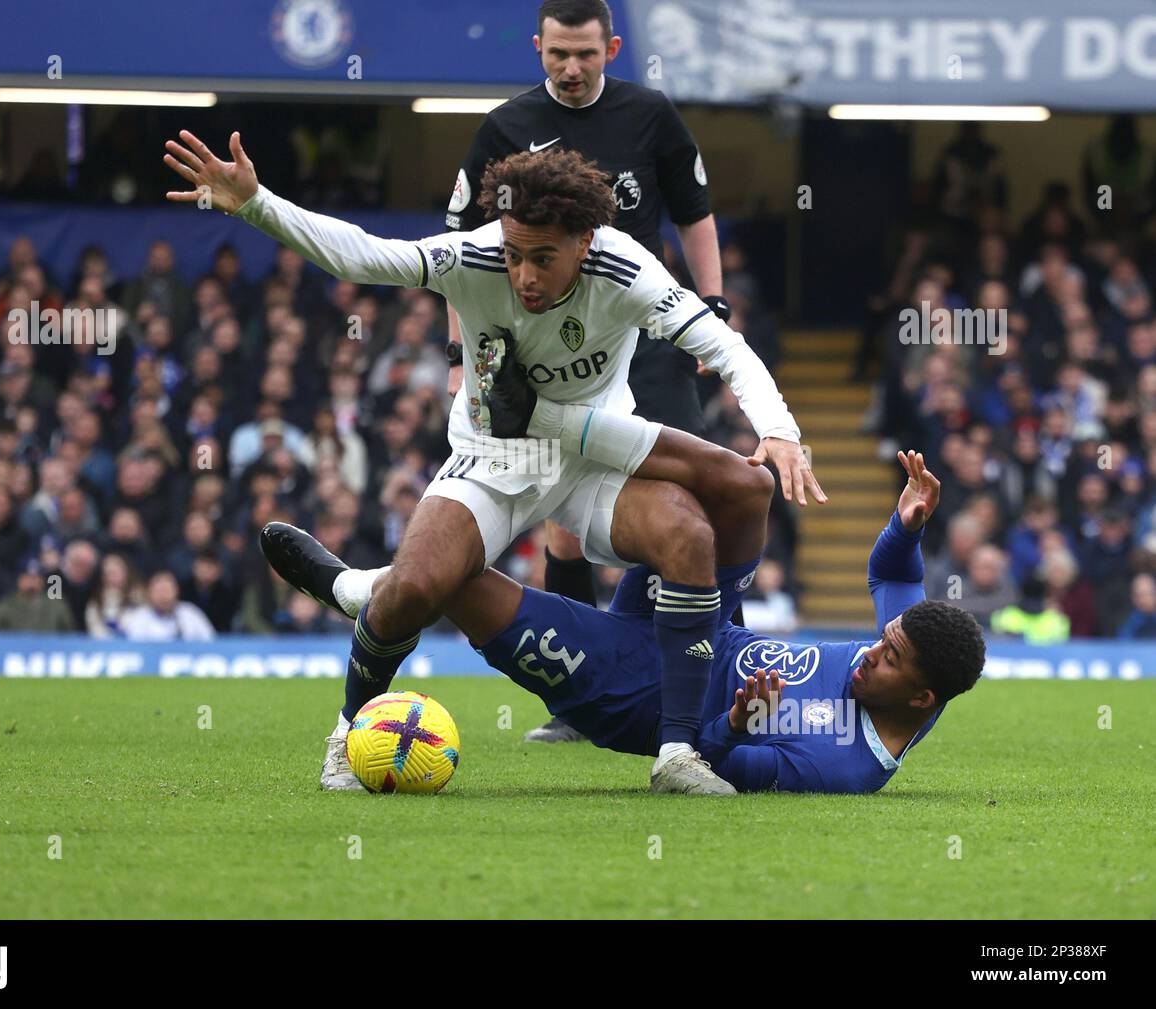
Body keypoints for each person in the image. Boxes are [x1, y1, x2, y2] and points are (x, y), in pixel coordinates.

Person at [164, 129, 823, 795]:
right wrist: (255, 203)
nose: (525, 276)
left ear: (584, 243)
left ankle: (677, 754)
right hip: (494, 455)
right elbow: (364, 258)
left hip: (596, 454)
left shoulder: (627, 272)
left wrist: (780, 428)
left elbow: (726, 346)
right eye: (514, 255)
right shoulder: (473, 258)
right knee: (417, 591)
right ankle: (347, 730)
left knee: (689, 535)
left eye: (543, 258)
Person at [269, 451, 983, 794]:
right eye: (883, 642)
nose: (869, 656)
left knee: (452, 578)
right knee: (737, 490)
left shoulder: (843, 764)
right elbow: (892, 578)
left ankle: (357, 589)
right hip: (705, 616)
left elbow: (715, 763)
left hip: (636, 690)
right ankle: (575, 465)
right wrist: (905, 524)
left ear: (922, 698)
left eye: (888, 662)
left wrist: (737, 720)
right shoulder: (915, 656)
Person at [443, 0, 737, 743]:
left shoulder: (651, 115)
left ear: (610, 48)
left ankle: (717, 670)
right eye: (556, 56)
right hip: (545, 344)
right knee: (565, 530)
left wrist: (714, 308)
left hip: (650, 331)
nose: (571, 71)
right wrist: (460, 359)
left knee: (694, 491)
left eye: (586, 56)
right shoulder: (504, 129)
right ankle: (575, 703)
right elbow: (458, 254)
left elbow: (694, 213)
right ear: (537, 47)